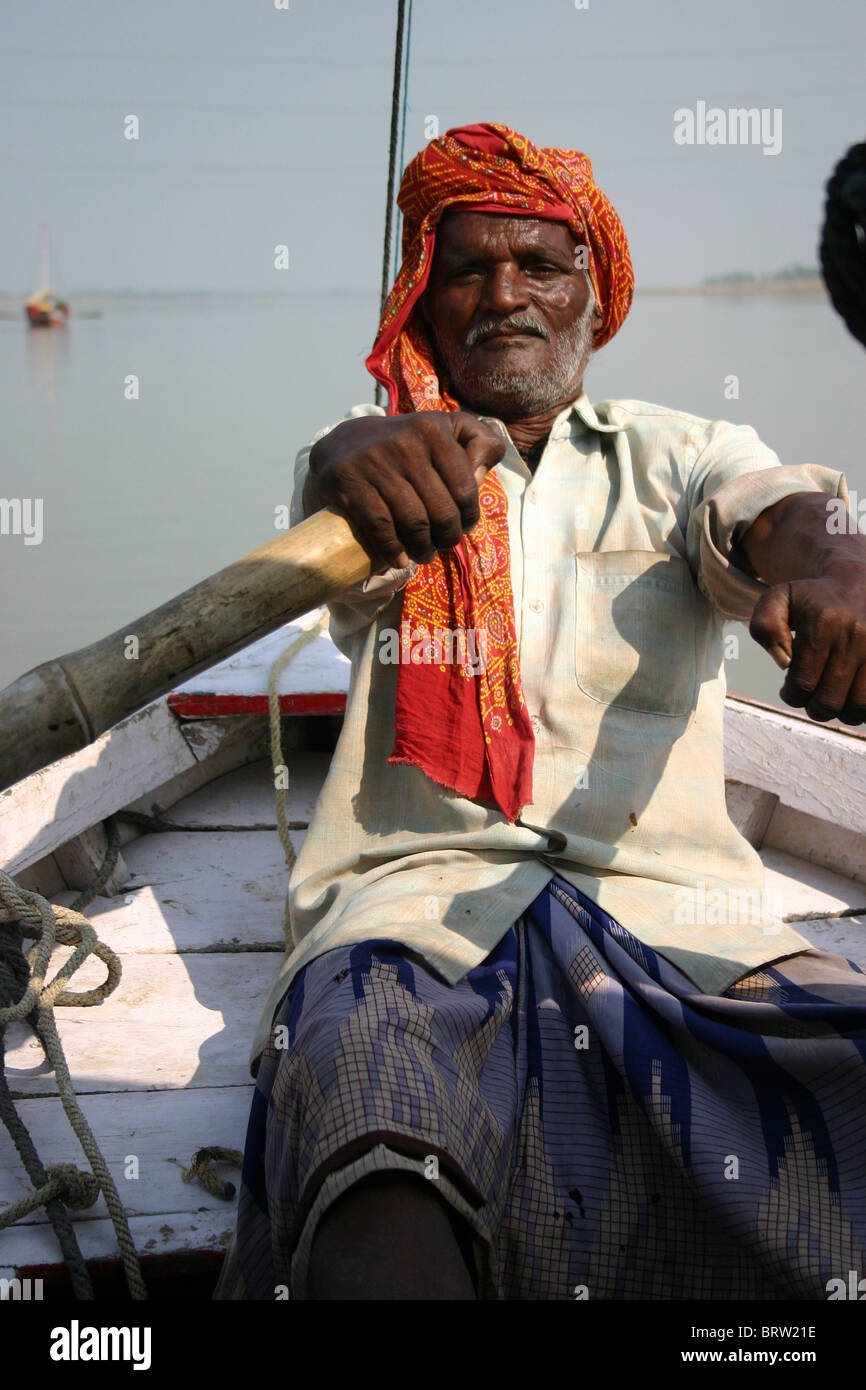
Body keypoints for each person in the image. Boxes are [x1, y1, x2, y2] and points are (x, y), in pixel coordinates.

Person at [216, 123, 866, 1301]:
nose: (503, 296)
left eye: (538, 266)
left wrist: (831, 559)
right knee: (369, 1117)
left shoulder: (678, 451)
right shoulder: (380, 462)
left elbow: (770, 509)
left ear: (591, 293)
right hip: (411, 915)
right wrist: (357, 454)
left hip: (675, 918)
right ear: (422, 294)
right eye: (466, 267)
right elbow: (334, 473)